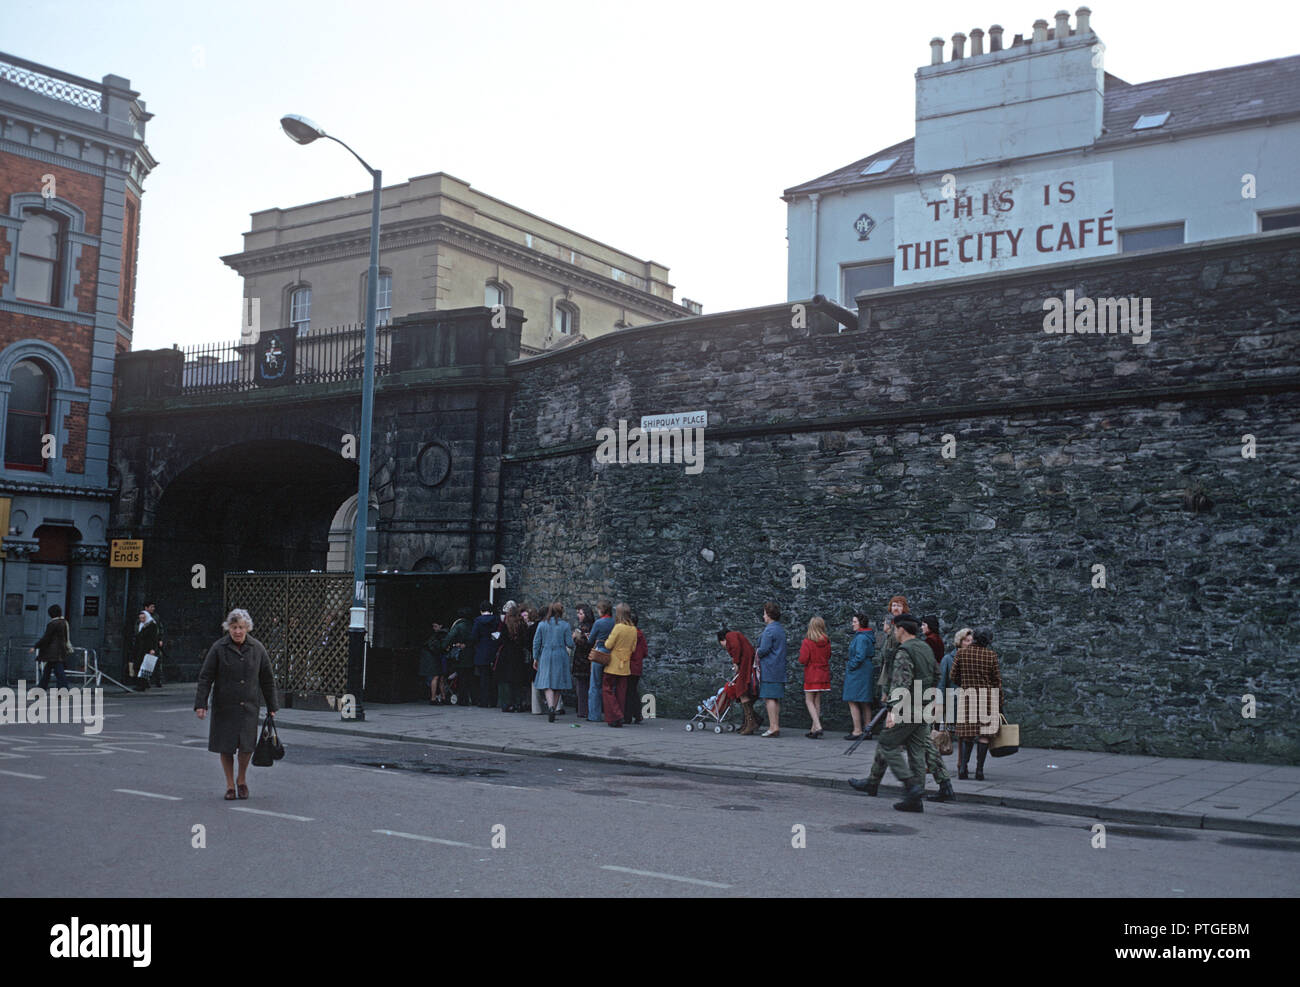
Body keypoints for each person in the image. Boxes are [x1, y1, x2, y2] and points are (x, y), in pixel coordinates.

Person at [850, 613, 932, 812]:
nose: (894, 632)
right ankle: (915, 798)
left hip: (907, 706)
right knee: (916, 752)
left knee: (887, 743)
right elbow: (935, 675)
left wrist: (893, 711)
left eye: (896, 629)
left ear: (902, 630)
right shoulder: (925, 648)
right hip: (924, 704)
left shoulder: (905, 651)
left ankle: (910, 786)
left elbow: (901, 683)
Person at [194, 608, 278, 801]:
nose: (237, 631)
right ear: (228, 628)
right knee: (226, 746)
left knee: (246, 746)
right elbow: (206, 677)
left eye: (241, 627)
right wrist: (201, 704)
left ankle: (242, 780)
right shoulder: (218, 648)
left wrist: (272, 705)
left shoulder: (257, 649)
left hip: (248, 706)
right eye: (233, 627)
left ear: (247, 628)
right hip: (225, 706)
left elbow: (267, 678)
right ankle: (230, 785)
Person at [951, 627, 1003, 781]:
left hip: (968, 697)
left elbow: (953, 675)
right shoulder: (991, 655)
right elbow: (996, 681)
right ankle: (979, 770)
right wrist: (1000, 702)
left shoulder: (962, 653)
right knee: (984, 735)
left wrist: (965, 684)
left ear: (974, 638)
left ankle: (963, 769)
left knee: (968, 735)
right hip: (987, 698)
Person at [533, 602, 573, 722]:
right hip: (560, 654)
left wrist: (535, 658)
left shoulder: (542, 625)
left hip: (545, 654)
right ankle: (554, 709)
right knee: (558, 683)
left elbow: (536, 643)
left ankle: (550, 707)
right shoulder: (565, 625)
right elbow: (570, 644)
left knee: (547, 683)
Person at [601, 603, 637, 727]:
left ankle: (615, 715)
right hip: (625, 664)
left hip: (614, 663)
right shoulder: (633, 629)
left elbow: (608, 645)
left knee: (607, 689)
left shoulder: (618, 627)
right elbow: (633, 648)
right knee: (621, 692)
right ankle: (618, 716)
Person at [754, 602, 787, 738]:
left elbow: (763, 649)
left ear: (768, 615)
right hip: (779, 668)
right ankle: (775, 725)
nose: (763, 616)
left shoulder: (769, 630)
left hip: (769, 669)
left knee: (769, 699)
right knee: (775, 698)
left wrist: (756, 652)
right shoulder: (780, 629)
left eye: (764, 613)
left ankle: (773, 727)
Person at [718, 627, 760, 734]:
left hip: (745, 664)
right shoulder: (736, 635)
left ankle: (751, 722)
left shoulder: (730, 635)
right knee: (742, 692)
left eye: (721, 644)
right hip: (746, 664)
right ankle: (751, 721)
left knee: (742, 692)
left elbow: (736, 646)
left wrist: (735, 662)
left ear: (722, 640)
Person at [842, 613, 875, 741]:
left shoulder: (861, 638)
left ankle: (857, 730)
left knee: (852, 699)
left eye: (854, 621)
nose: (852, 624)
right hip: (865, 670)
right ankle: (868, 730)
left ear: (860, 623)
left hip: (858, 671)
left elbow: (859, 656)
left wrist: (850, 665)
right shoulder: (867, 636)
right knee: (865, 701)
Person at [798, 616, 831, 738]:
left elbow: (803, 659)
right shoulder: (827, 641)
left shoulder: (808, 641)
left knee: (809, 700)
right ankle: (813, 729)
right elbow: (828, 655)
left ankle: (817, 725)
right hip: (823, 673)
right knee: (817, 701)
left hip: (812, 673)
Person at [495, 605, 530, 712]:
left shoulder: (506, 624)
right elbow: (525, 640)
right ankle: (518, 703)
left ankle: (508, 704)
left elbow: (501, 639)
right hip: (518, 653)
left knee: (507, 680)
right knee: (518, 680)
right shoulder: (522, 625)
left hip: (507, 654)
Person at [30, 604, 72, 689]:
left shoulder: (53, 624)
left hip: (52, 652)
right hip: (60, 651)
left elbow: (46, 637)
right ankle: (41, 689)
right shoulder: (64, 622)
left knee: (57, 672)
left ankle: (62, 690)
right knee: (48, 671)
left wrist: (35, 646)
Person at [587, 600, 615, 722]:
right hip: (611, 654)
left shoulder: (599, 622)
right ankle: (610, 713)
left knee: (595, 685)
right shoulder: (615, 622)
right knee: (610, 685)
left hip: (599, 653)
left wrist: (588, 637)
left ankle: (594, 715)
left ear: (601, 610)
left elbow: (591, 640)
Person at [442, 607, 475, 705]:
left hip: (461, 654)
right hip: (471, 653)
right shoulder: (473, 625)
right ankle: (474, 698)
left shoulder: (458, 626)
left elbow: (450, 637)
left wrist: (444, 646)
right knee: (471, 677)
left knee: (462, 677)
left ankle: (463, 699)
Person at [471, 601, 499, 708]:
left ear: (481, 610)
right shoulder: (496, 620)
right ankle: (493, 701)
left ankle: (483, 701)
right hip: (493, 649)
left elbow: (474, 636)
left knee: (483, 677)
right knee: (493, 677)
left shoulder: (477, 621)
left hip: (481, 650)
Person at [571, 604, 594, 719]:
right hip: (585, 659)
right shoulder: (588, 626)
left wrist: (576, 637)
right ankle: (585, 709)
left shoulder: (585, 628)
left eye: (580, 613)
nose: (578, 616)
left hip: (583, 659)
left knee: (582, 686)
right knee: (586, 685)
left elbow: (586, 644)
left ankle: (583, 710)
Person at [625, 609, 647, 724]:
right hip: (637, 666)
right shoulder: (640, 634)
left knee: (628, 691)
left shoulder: (630, 635)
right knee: (633, 690)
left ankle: (628, 716)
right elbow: (645, 651)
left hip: (629, 665)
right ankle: (638, 714)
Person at [418, 620, 447, 704]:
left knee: (437, 677)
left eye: (435, 626)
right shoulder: (441, 635)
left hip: (433, 656)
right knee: (438, 676)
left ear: (440, 626)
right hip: (437, 657)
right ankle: (438, 697)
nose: (434, 628)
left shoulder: (435, 635)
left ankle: (435, 697)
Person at [131, 609, 160, 691]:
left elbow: (154, 638)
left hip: (146, 648)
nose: (142, 620)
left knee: (143, 667)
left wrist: (152, 649)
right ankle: (142, 683)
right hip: (139, 648)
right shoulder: (141, 625)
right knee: (139, 666)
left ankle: (141, 685)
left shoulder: (152, 625)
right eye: (140, 618)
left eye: (143, 618)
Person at [143, 600, 166, 687]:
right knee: (148, 662)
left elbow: (160, 628)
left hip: (155, 642)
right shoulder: (143, 616)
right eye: (151, 607)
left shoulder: (156, 616)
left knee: (158, 661)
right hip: (148, 643)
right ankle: (146, 681)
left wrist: (160, 639)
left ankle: (158, 680)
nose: (153, 608)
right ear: (146, 608)